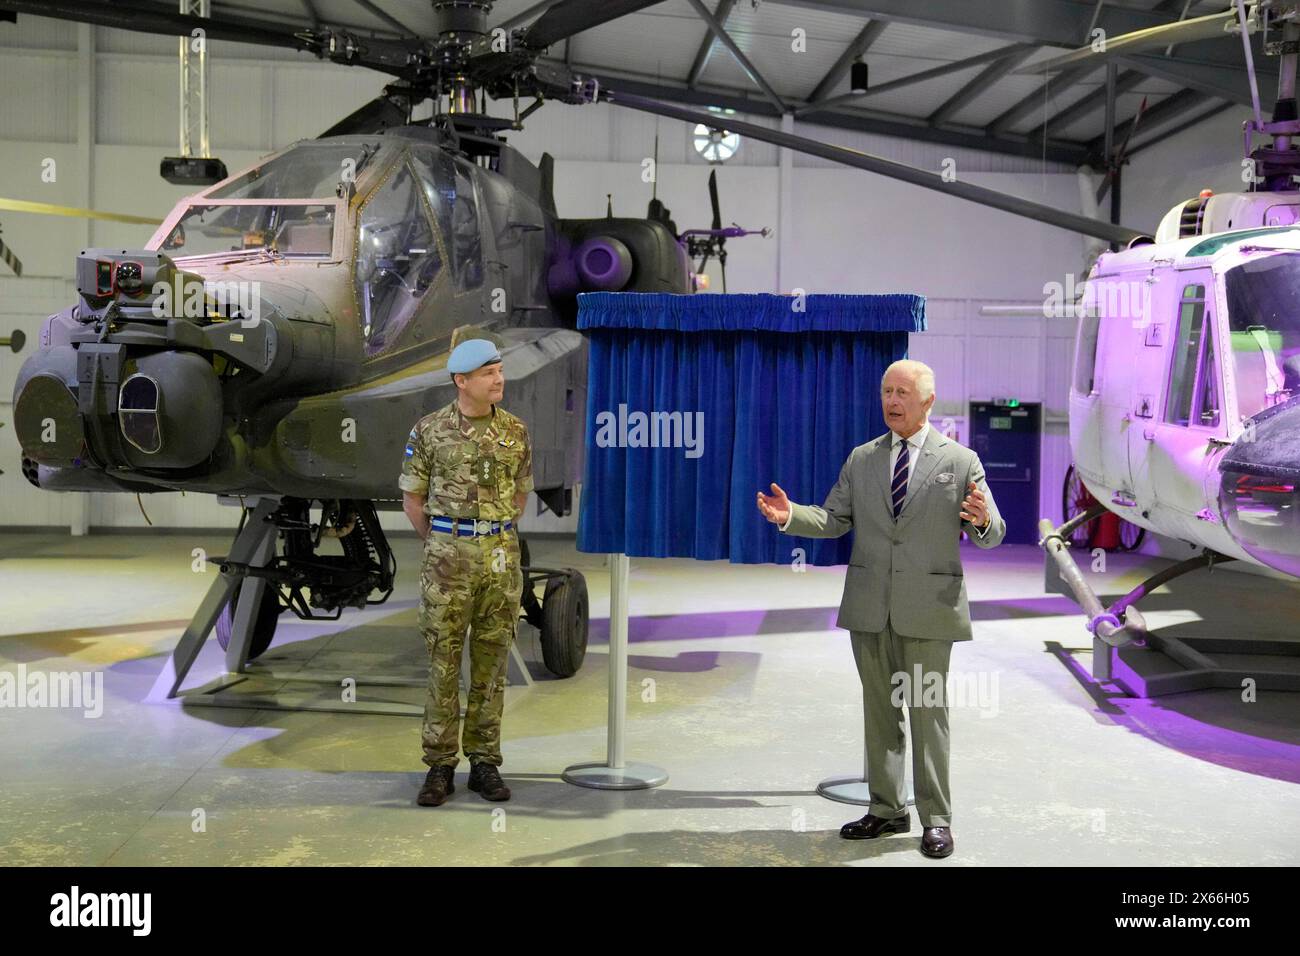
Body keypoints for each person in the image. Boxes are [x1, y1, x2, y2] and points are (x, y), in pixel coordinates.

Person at [756, 359, 1005, 859]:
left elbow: (992, 532)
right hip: (871, 608)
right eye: (886, 392)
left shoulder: (960, 461)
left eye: (903, 393)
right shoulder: (862, 458)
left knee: (927, 714)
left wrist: (981, 521)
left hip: (930, 611)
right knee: (880, 714)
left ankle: (937, 819)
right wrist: (791, 518)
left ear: (928, 402)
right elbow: (833, 518)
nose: (892, 401)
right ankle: (886, 810)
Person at [399, 337, 532, 807]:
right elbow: (412, 501)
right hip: (447, 558)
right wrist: (444, 542)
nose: (499, 379)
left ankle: (484, 763)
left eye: (499, 370)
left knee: (492, 665)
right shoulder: (430, 431)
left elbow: (519, 496)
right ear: (462, 381)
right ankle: (439, 765)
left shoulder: (515, 431)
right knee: (443, 661)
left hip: (500, 558)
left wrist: (491, 533)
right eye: (489, 373)